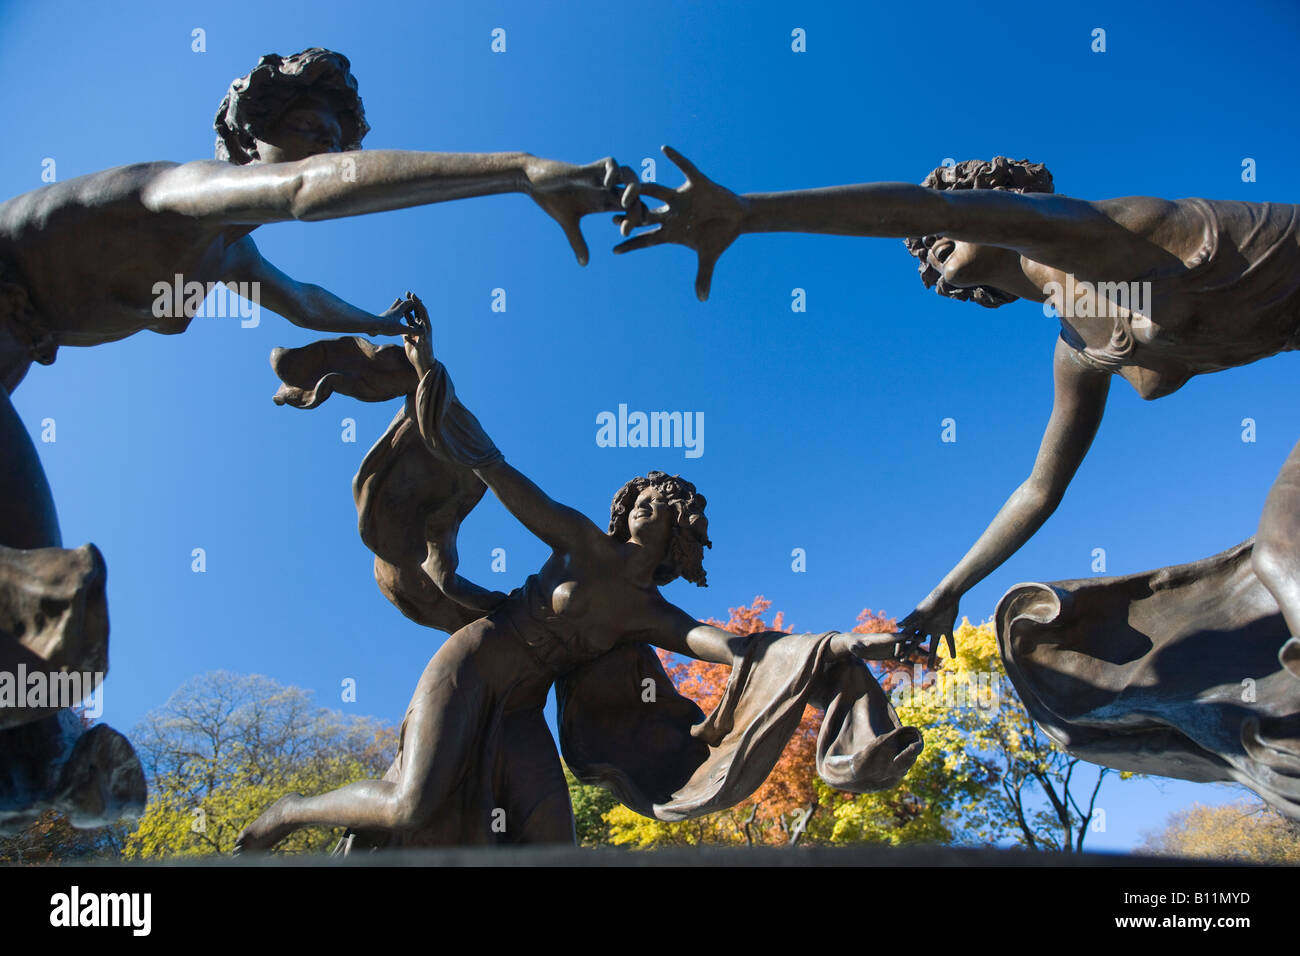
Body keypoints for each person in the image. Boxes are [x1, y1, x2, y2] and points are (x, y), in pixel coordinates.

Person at [0, 47, 645, 828]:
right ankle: (45, 763)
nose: (326, 152)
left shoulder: (230, 251)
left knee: (50, 643)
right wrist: (522, 170)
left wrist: (380, 325)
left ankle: (44, 769)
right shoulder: (174, 189)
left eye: (339, 141)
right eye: (307, 128)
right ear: (248, 135)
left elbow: (303, 300)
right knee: (46, 615)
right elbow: (309, 193)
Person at [236, 313, 921, 849]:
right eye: (642, 496)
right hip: (471, 670)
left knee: (552, 845)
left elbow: (743, 651)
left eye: (662, 501)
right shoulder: (580, 541)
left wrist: (851, 646)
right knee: (410, 802)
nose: (644, 503)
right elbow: (497, 471)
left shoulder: (652, 613)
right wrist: (429, 374)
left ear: (679, 530)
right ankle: (288, 813)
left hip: (521, 710)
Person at [615, 149, 1300, 676]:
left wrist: (749, 212)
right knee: (1281, 557)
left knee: (1281, 558)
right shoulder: (1074, 346)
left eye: (943, 221)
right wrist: (947, 593)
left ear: (996, 202)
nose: (925, 246)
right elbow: (1039, 489)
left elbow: (911, 208)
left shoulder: (1097, 234)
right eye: (921, 248)